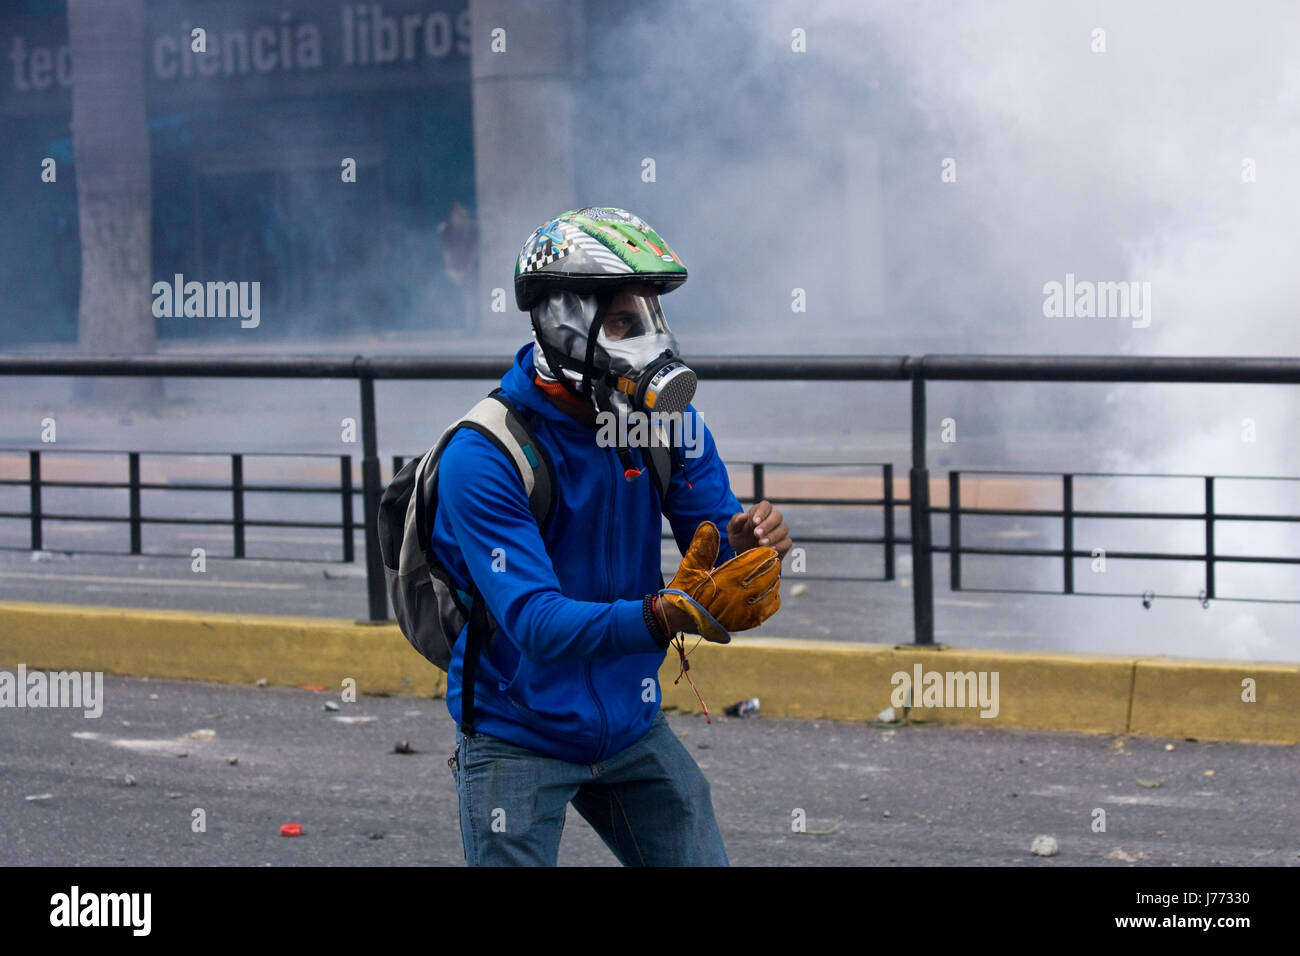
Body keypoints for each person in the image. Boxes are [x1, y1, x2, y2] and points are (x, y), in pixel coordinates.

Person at [432, 206, 792, 866]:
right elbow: (536, 624)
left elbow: (713, 547)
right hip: (517, 731)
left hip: (630, 721)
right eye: (626, 323)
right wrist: (659, 617)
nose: (653, 342)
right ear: (559, 321)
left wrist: (754, 548)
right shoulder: (484, 454)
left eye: (654, 320)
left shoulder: (668, 426)